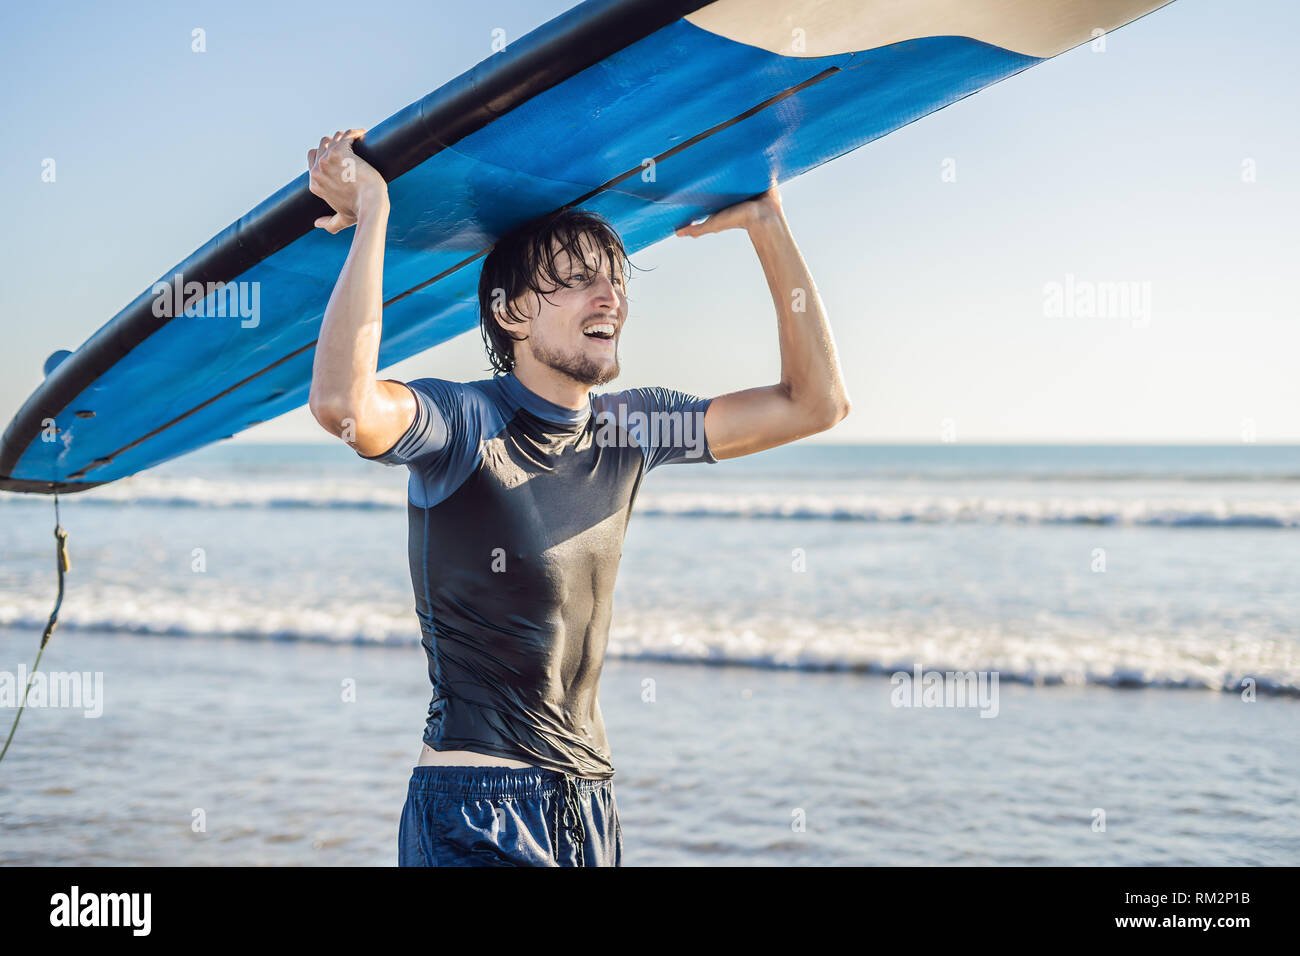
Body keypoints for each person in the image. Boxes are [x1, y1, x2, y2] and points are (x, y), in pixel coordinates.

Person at [305, 128, 851, 866]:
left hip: (592, 809)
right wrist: (375, 211)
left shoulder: (633, 427)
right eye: (573, 281)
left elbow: (815, 404)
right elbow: (344, 403)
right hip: (478, 811)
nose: (610, 296)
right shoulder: (466, 424)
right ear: (510, 312)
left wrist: (766, 222)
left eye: (615, 281)